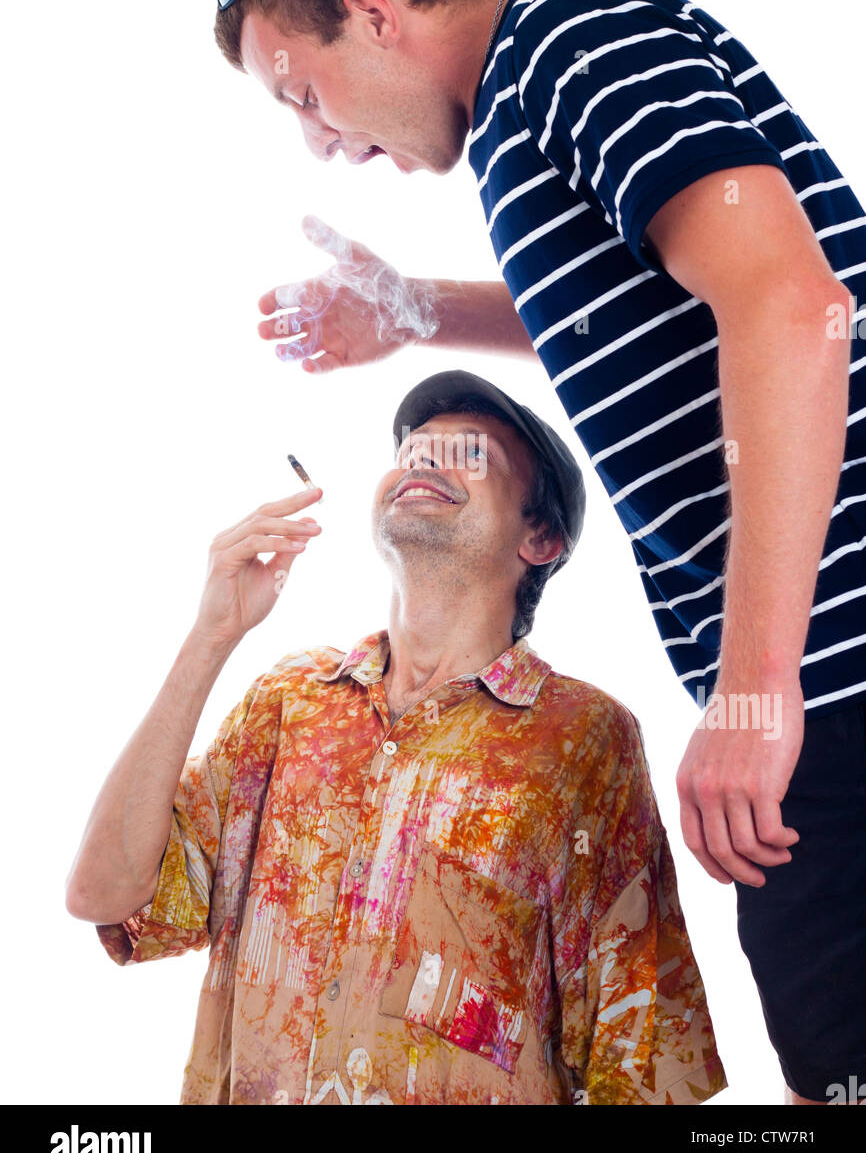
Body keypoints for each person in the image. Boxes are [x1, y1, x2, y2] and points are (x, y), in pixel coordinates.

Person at [211, 0, 866, 1106]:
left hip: (837, 673)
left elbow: (790, 307)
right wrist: (419, 312)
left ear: (372, 9)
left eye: (304, 92)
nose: (323, 141)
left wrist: (755, 684)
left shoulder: (570, 44)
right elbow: (641, 290)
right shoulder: (525, 106)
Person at [65, 370, 725, 1106]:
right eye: (411, 451)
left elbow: (643, 1062)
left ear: (540, 536)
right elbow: (103, 892)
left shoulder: (582, 740)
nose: (422, 462)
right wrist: (211, 635)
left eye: (469, 454)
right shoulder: (288, 702)